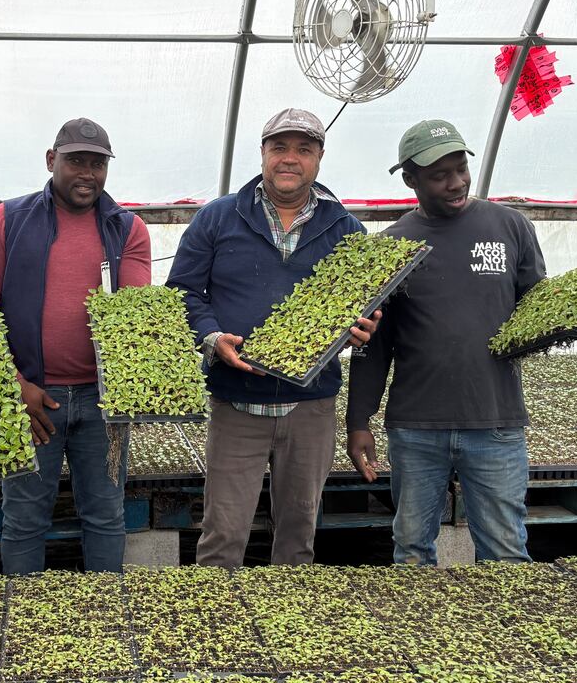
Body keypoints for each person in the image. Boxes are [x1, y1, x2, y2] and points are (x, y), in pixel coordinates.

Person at [166, 108, 378, 569]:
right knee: (222, 535)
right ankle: (218, 627)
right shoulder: (219, 218)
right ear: (262, 153)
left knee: (299, 535)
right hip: (237, 403)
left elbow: (364, 305)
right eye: (279, 147)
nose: (290, 159)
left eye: (304, 149)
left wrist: (361, 329)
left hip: (311, 407)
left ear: (320, 158)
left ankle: (290, 631)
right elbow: (182, 291)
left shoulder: (345, 229)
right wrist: (211, 336)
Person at [346, 119, 546, 565]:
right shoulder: (393, 245)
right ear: (411, 179)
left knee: (505, 548)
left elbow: (538, 310)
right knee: (413, 546)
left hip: (494, 420)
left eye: (461, 169)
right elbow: (372, 345)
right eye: (439, 175)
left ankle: (508, 632)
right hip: (417, 426)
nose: (456, 183)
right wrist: (358, 420)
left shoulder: (510, 227)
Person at [0, 118, 152, 574]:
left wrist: (136, 390)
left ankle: (107, 616)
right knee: (25, 518)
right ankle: (25, 618)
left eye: (97, 164)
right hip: (31, 397)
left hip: (102, 401)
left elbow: (135, 316)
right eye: (75, 162)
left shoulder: (127, 229)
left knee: (106, 514)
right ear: (52, 161)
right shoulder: (8, 220)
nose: (86, 173)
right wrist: (14, 386)